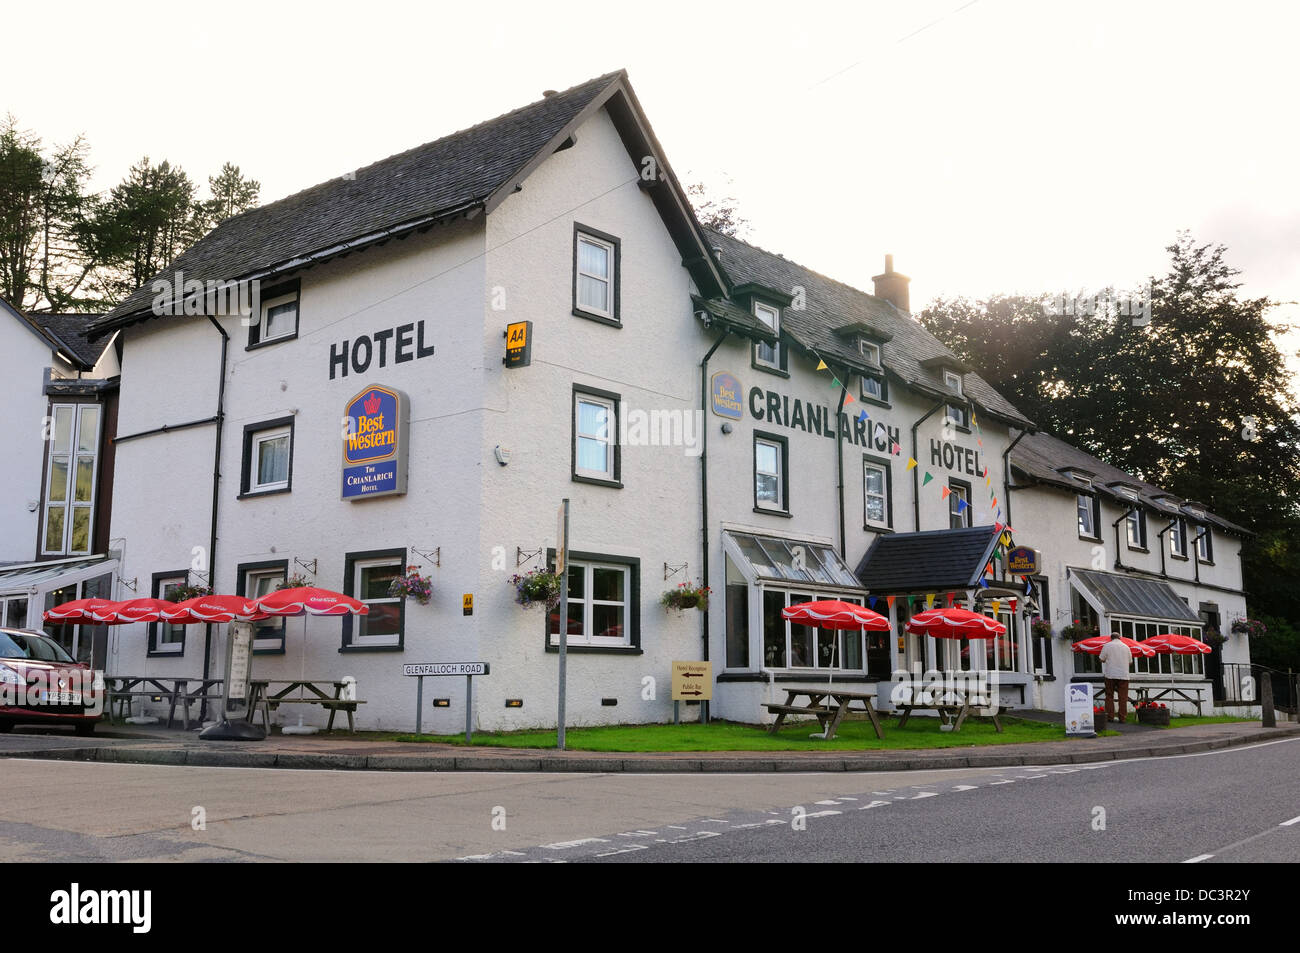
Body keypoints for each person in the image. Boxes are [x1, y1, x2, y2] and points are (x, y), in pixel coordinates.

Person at [1098, 632, 1133, 723]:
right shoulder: (1126, 647)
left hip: (1110, 674)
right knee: (1123, 697)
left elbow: (1101, 659)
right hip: (1123, 675)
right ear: (1119, 638)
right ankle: (1122, 718)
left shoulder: (1107, 646)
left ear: (1111, 638)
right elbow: (1130, 662)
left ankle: (1110, 717)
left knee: (1109, 696)